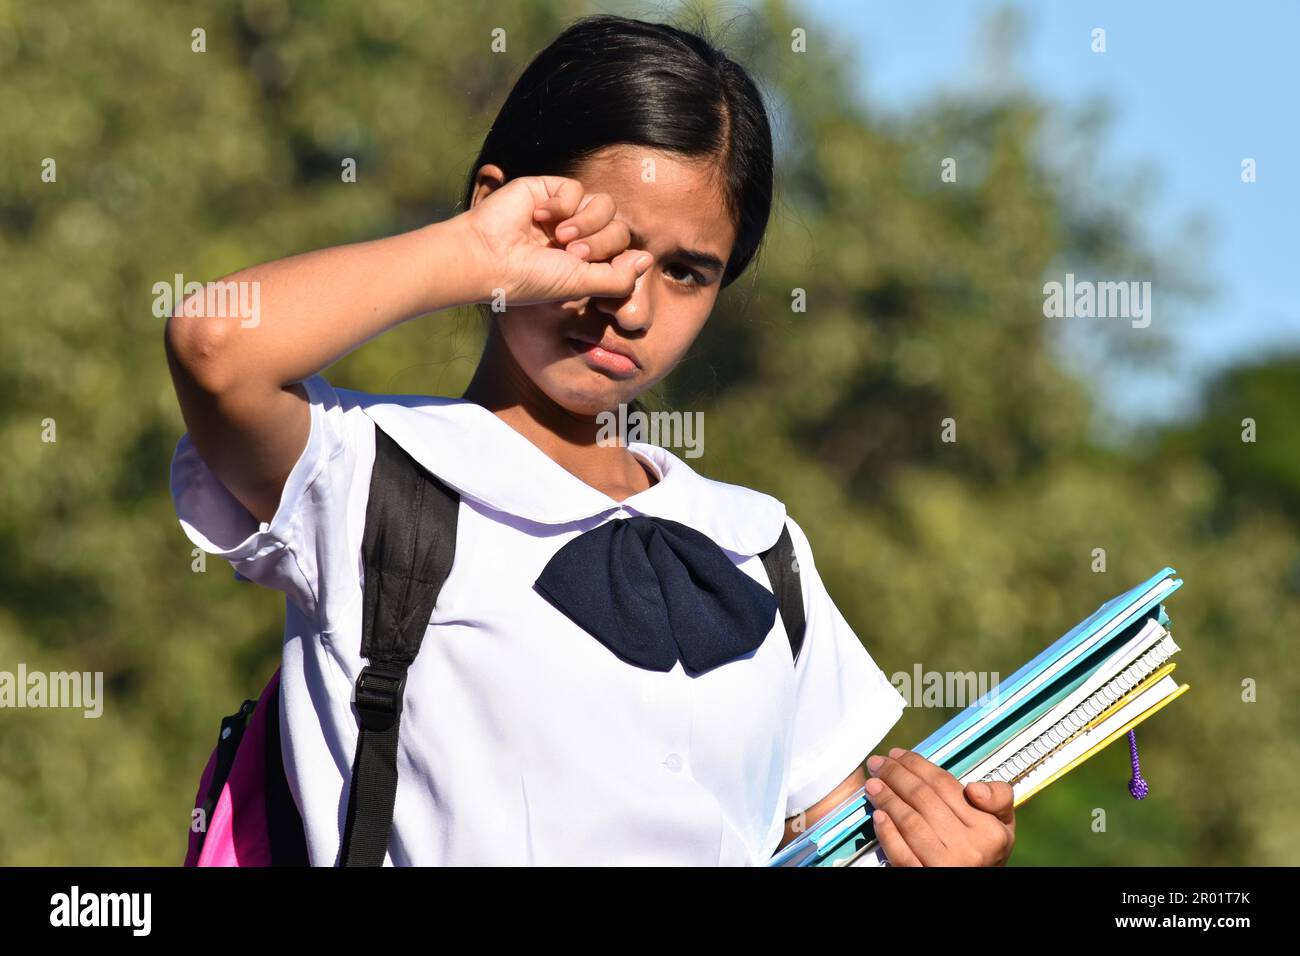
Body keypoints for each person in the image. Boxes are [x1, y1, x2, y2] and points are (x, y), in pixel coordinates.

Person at [165, 13, 1015, 866]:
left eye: (686, 271)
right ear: (502, 204)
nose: (632, 306)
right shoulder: (367, 476)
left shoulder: (762, 549)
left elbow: (828, 839)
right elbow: (215, 346)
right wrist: (474, 251)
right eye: (603, 245)